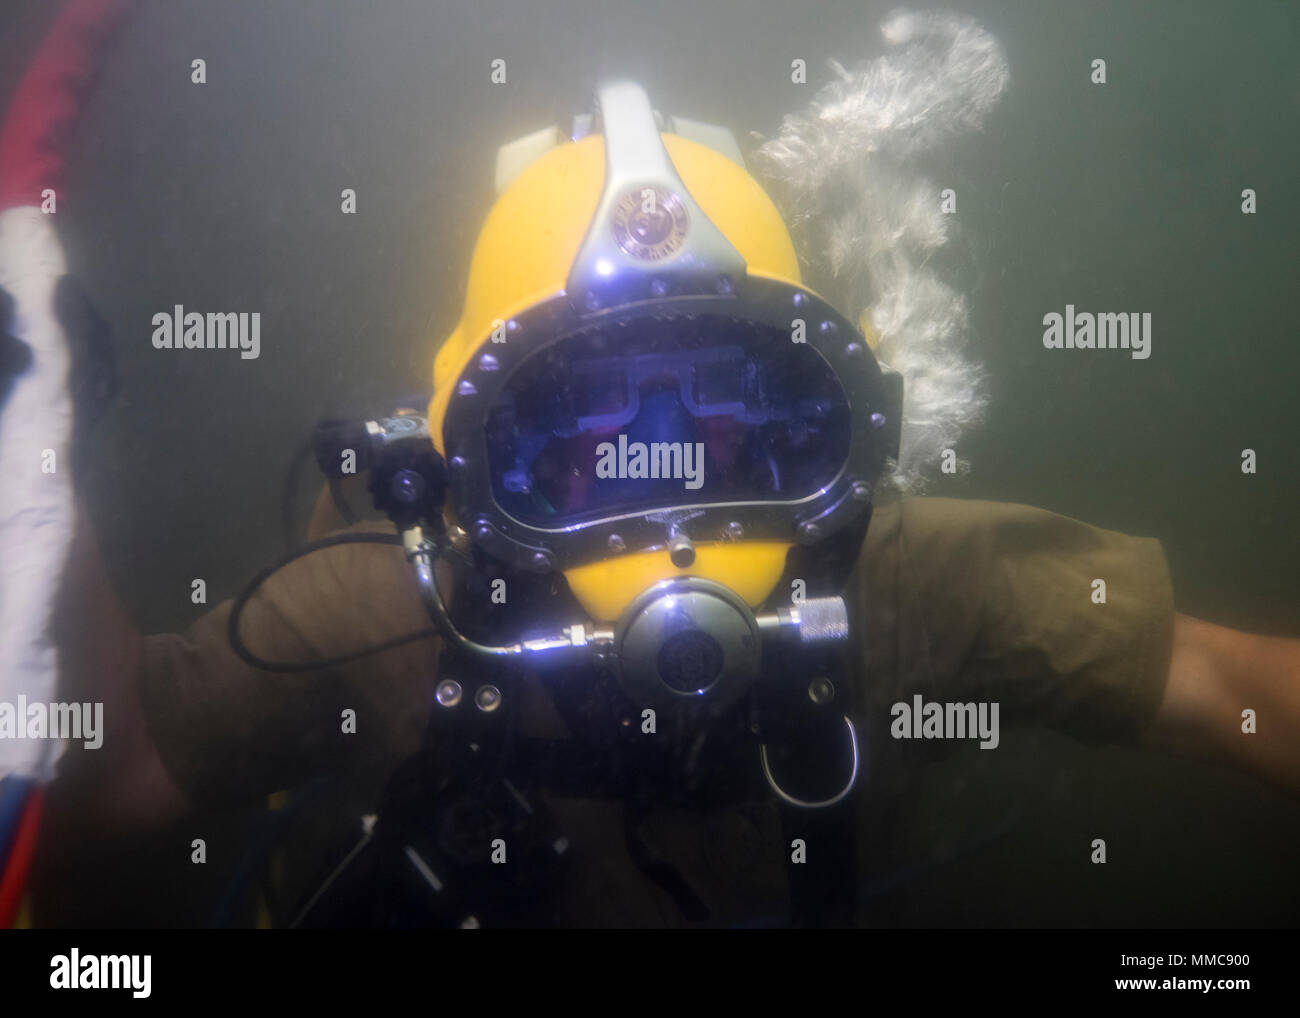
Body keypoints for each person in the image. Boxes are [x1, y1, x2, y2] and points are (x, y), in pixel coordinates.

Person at [18, 81, 1300, 929]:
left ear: (829, 425)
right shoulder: (387, 607)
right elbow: (115, 771)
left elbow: (1229, 688)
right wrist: (38, 450)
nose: (663, 469)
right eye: (585, 426)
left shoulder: (913, 573)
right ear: (466, 449)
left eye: (727, 414)